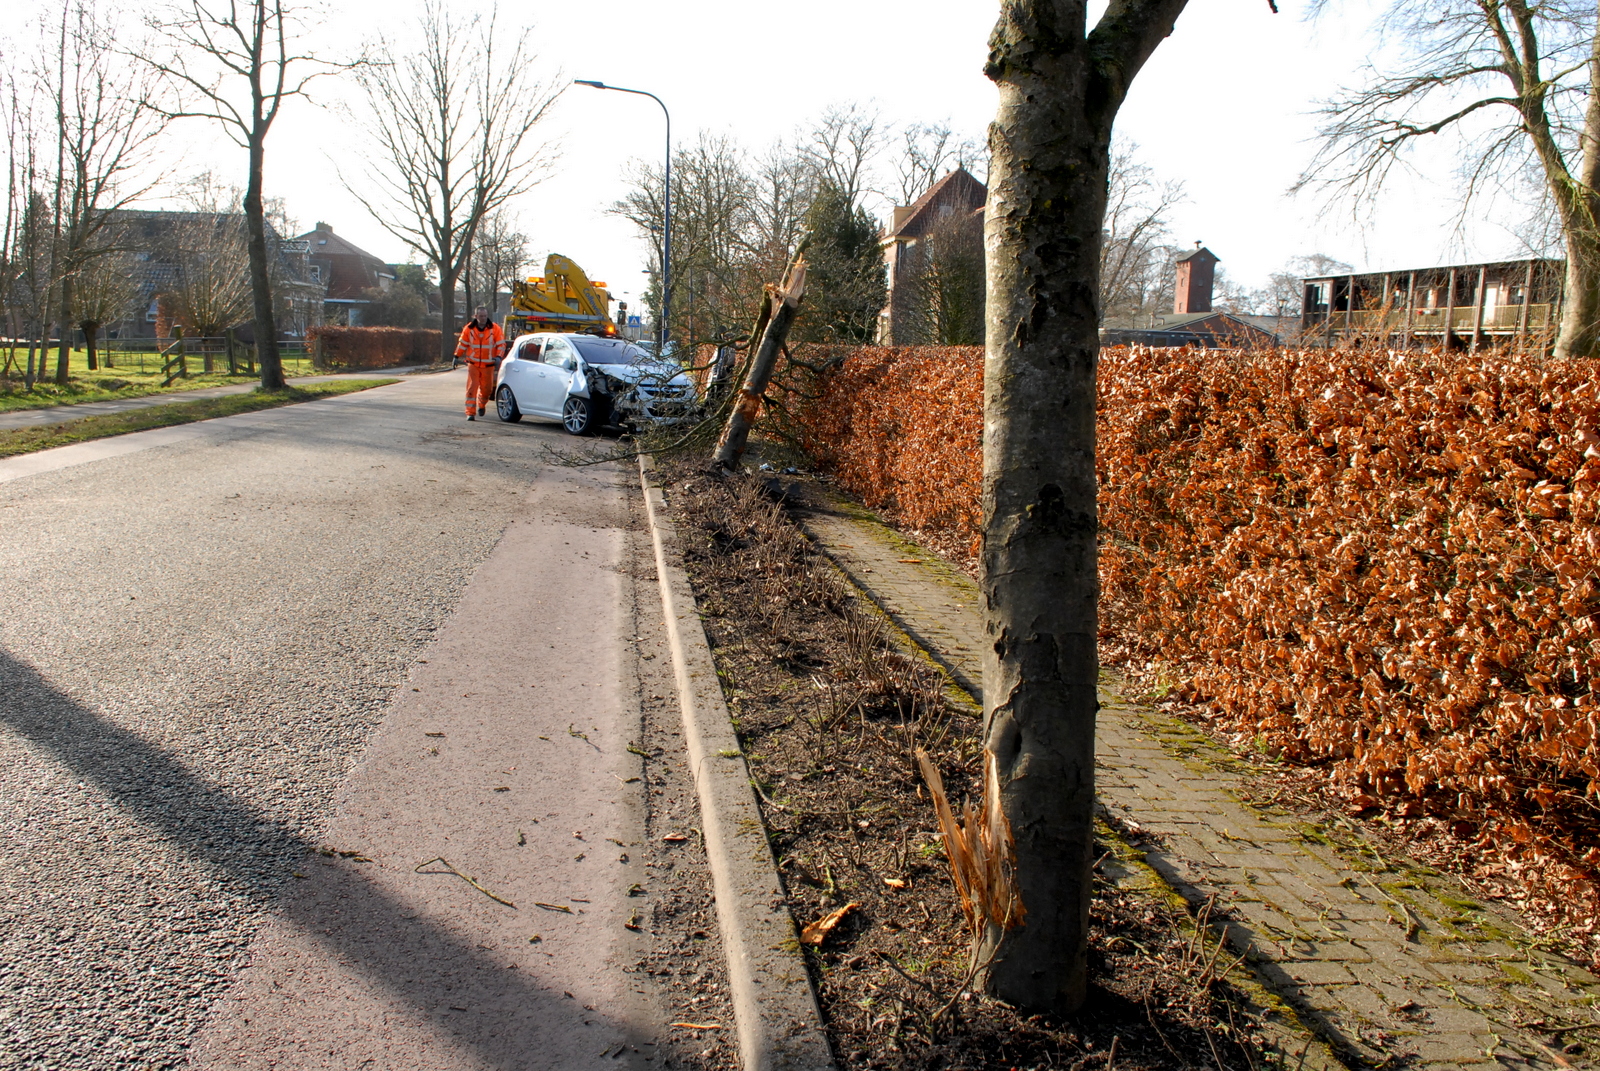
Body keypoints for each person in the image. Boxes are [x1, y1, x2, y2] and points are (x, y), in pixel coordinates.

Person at [454, 306, 505, 421]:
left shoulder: (495, 329)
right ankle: (470, 413)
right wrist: (456, 356)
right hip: (473, 364)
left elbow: (501, 344)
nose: (483, 318)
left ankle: (481, 405)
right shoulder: (469, 329)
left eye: (485, 316)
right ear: (475, 316)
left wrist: (498, 357)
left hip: (488, 365)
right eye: (481, 316)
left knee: (487, 390)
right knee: (472, 387)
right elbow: (462, 343)